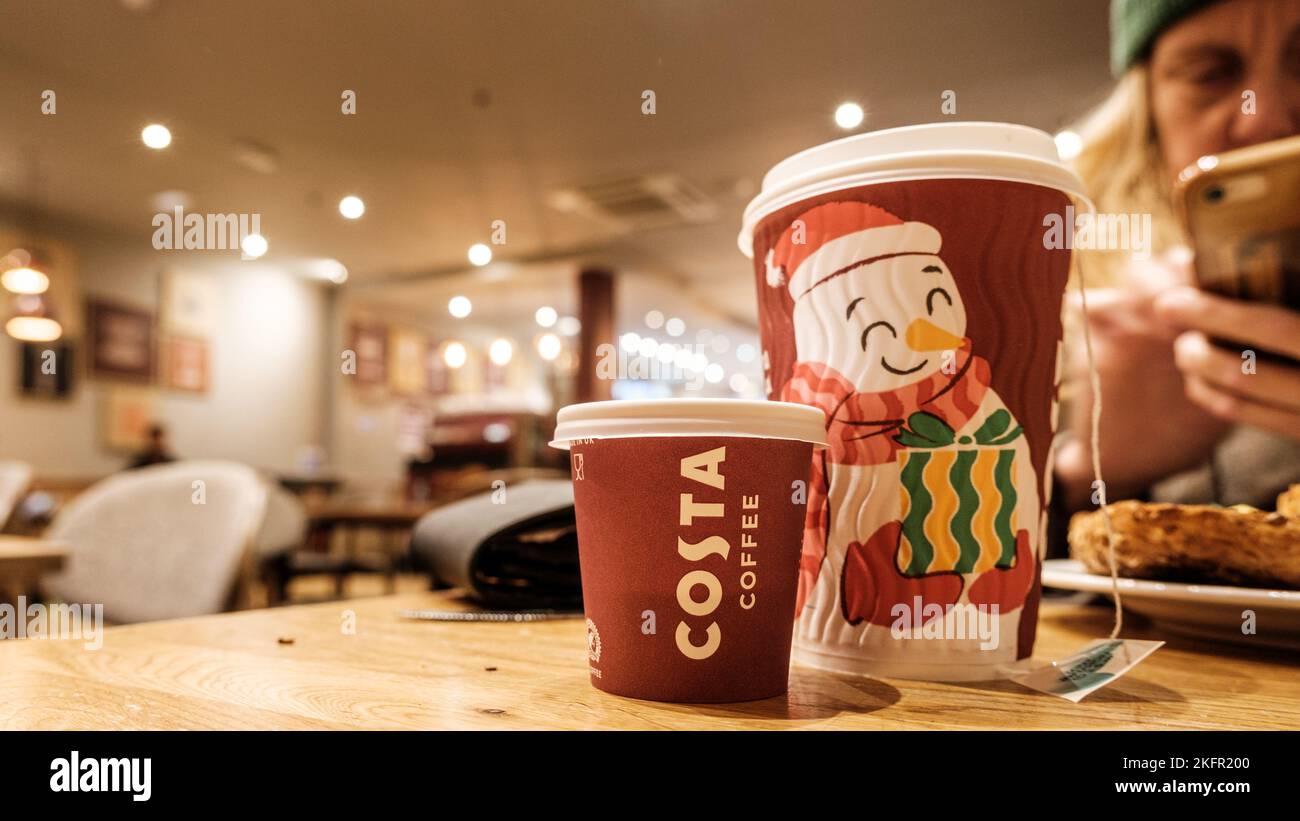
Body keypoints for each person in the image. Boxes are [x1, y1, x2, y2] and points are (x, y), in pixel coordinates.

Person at [1053, 0, 1300, 536]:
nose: (1265, 120)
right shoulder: (1073, 298)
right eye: (1208, 75)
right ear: (1147, 109)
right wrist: (1096, 469)